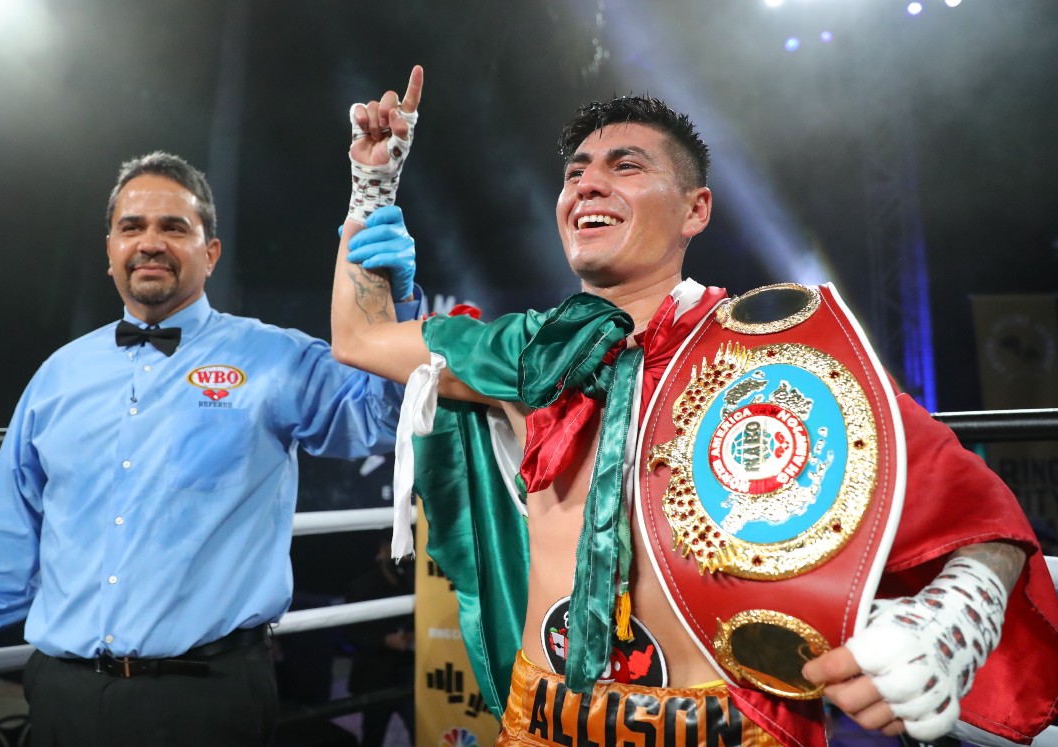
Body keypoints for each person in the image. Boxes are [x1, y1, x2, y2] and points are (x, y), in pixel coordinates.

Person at [329, 67, 1058, 747]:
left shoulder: (777, 359)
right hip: (539, 721)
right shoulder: (524, 354)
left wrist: (954, 617)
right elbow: (359, 337)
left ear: (695, 210)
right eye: (575, 173)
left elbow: (981, 516)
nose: (588, 184)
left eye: (626, 166)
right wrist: (373, 184)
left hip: (728, 728)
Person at [0, 151, 422, 747]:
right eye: (132, 227)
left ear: (211, 253)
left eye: (174, 227)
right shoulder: (58, 376)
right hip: (61, 696)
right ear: (110, 250)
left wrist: (394, 309)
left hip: (208, 700)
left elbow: (386, 417)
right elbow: (8, 531)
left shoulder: (273, 358)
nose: (150, 243)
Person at [344, 536, 415, 747]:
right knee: (373, 735)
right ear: (383, 550)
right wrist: (384, 641)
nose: (404, 556)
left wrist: (411, 635)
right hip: (376, 678)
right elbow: (351, 633)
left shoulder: (410, 583)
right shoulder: (361, 586)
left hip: (407, 674)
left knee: (419, 731)